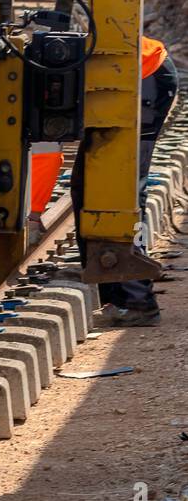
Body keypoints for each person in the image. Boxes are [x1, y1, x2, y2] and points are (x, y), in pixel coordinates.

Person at [70, 34, 177, 327]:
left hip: (147, 78)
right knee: (87, 187)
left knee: (123, 190)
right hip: (133, 77)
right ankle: (116, 295)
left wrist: (35, 214)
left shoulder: (31, 84)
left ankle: (137, 301)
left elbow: (44, 155)